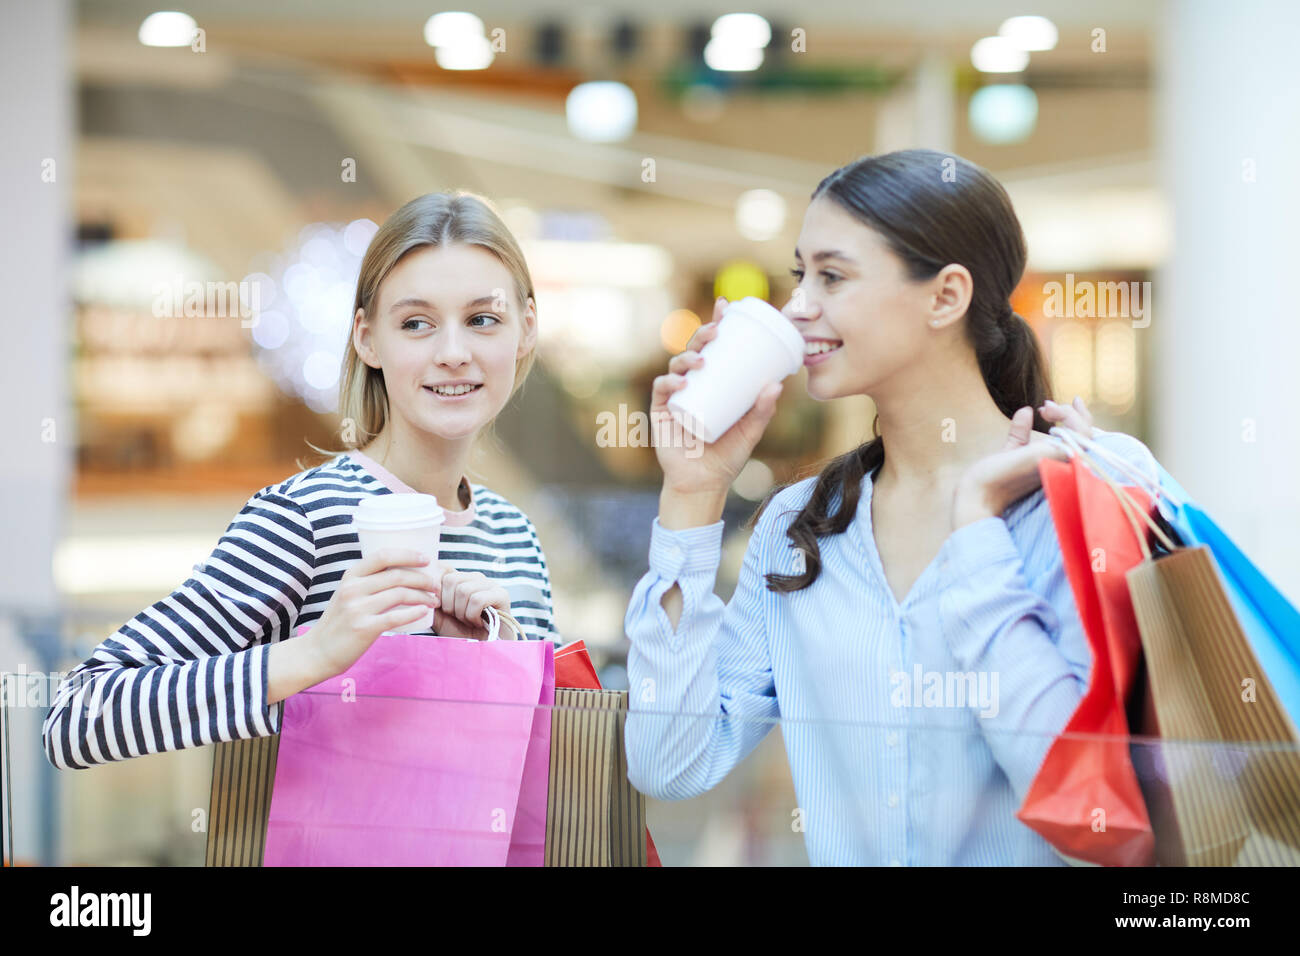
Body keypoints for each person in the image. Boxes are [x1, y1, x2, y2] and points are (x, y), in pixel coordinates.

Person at [623, 149, 1163, 865]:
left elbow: (1092, 816)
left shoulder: (1091, 487)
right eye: (800, 275)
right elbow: (669, 762)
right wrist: (692, 493)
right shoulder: (797, 528)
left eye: (833, 276)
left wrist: (976, 531)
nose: (797, 307)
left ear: (946, 296)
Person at [44, 191, 561, 771]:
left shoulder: (517, 539)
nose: (453, 352)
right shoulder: (304, 519)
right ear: (367, 338)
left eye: (482, 320)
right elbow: (77, 715)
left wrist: (493, 662)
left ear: (525, 330)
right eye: (416, 323)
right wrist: (316, 654)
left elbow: (545, 769)